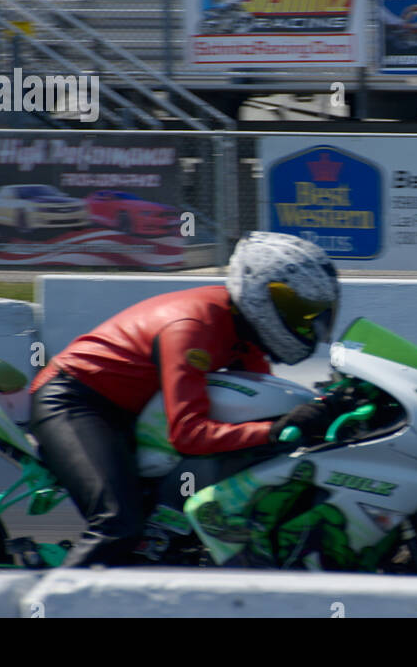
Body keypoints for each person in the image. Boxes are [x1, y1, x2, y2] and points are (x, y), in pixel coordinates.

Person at [28, 231, 352, 566]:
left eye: (316, 314)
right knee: (117, 523)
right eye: (295, 308)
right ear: (257, 291)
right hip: (75, 400)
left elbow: (262, 403)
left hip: (133, 408)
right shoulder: (193, 328)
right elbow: (187, 433)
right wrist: (274, 430)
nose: (307, 324)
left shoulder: (244, 334)